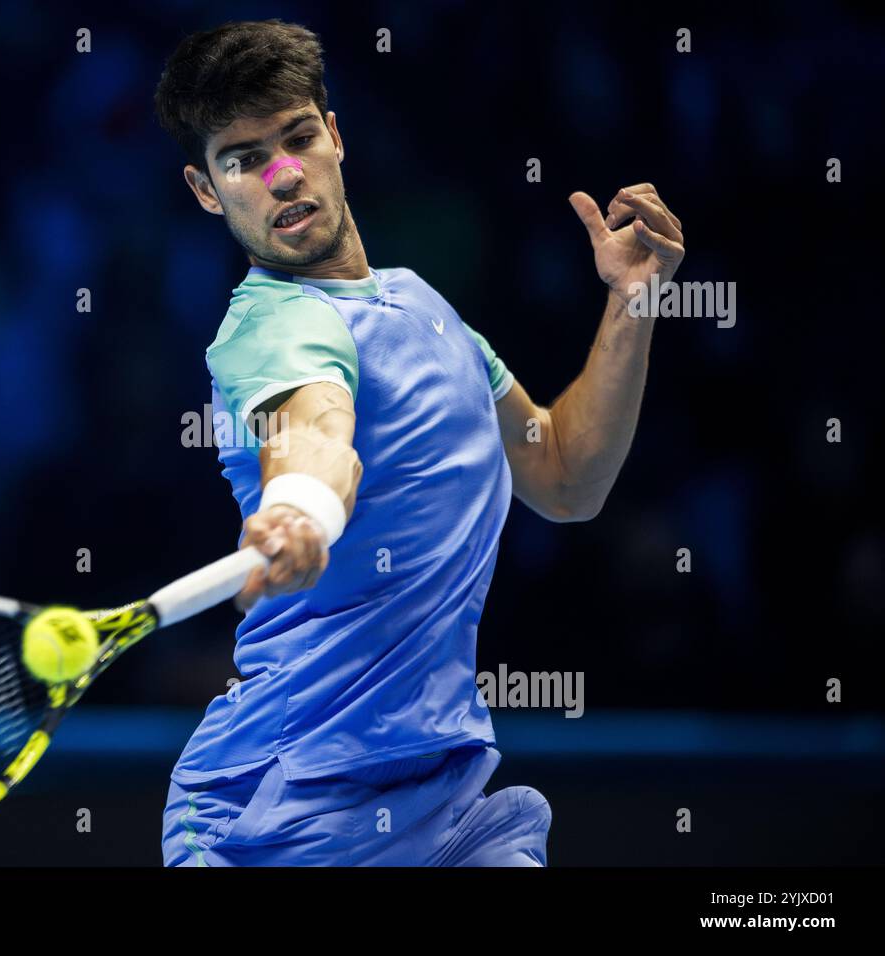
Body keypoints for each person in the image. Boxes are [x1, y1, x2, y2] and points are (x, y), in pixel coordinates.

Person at [153, 19, 684, 866]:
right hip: (281, 810)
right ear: (206, 189)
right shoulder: (273, 328)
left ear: (334, 135)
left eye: (296, 138)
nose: (283, 174)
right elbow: (316, 433)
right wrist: (299, 508)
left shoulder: (423, 307)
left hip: (444, 799)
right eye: (243, 159)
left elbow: (564, 476)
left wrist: (633, 302)